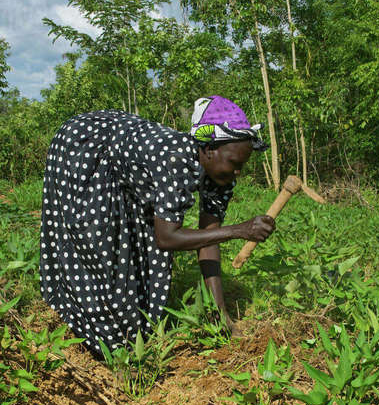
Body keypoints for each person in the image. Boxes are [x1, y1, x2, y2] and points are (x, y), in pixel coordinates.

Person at [40, 95, 275, 356]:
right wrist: (237, 230)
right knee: (98, 246)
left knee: (138, 254)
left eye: (242, 166)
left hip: (126, 162)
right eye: (234, 164)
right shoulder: (175, 158)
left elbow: (208, 238)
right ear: (209, 149)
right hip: (86, 146)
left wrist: (222, 316)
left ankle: (126, 334)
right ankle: (83, 333)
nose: (237, 173)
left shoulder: (223, 175)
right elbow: (167, 238)